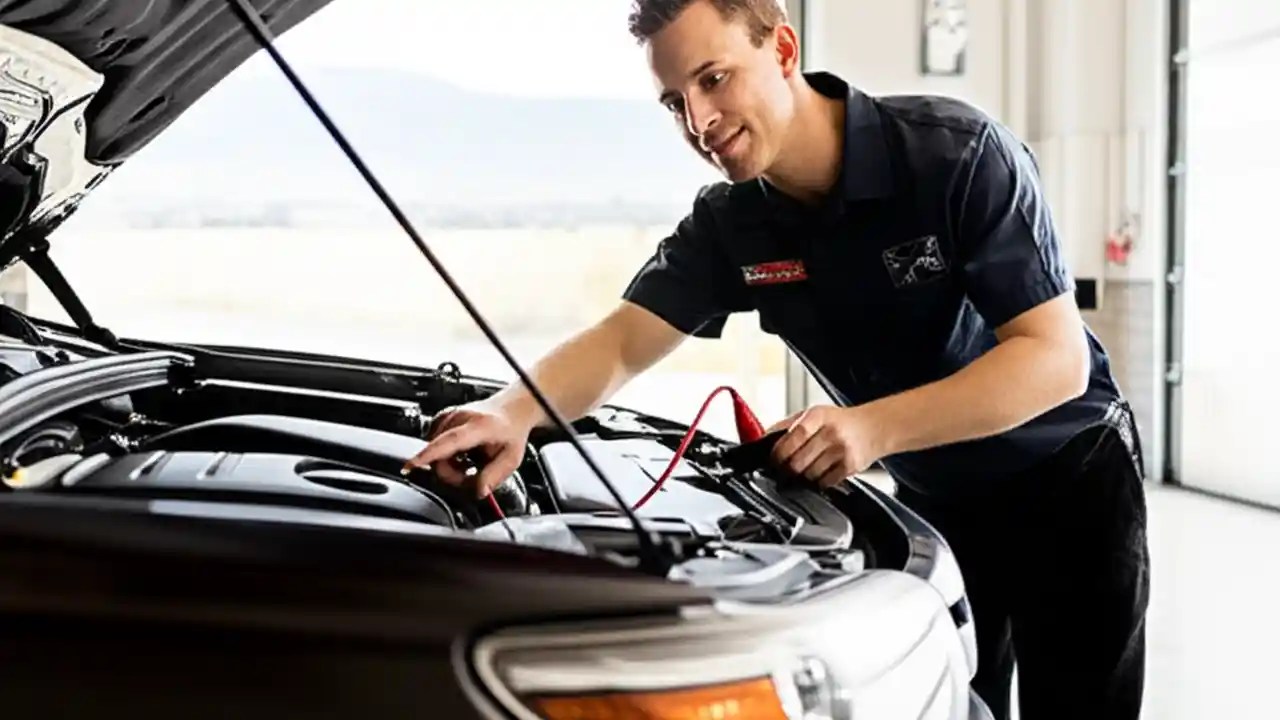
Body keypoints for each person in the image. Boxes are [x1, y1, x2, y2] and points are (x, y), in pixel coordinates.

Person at [404, 1, 1150, 717]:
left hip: (1069, 484)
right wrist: (512, 412)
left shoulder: (954, 156)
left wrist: (867, 430)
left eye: (713, 78)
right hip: (940, 495)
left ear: (783, 49)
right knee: (949, 704)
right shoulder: (734, 226)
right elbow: (623, 341)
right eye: (673, 102)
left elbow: (1054, 361)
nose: (698, 122)